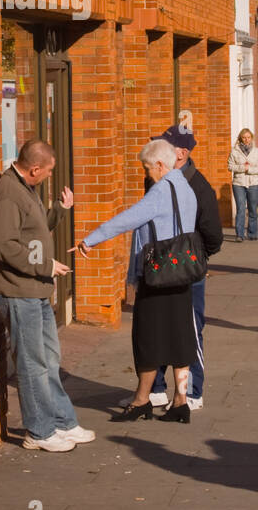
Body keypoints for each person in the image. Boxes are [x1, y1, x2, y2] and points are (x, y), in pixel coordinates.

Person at [0, 138, 95, 452]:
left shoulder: (24, 188)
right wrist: (46, 265)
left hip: (35, 289)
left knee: (48, 359)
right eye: (47, 171)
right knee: (32, 364)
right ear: (34, 169)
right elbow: (4, 246)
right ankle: (39, 431)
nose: (49, 176)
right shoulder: (8, 194)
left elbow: (36, 229)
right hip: (19, 293)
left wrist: (60, 210)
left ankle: (62, 421)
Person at [74, 139, 198, 423]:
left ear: (160, 165)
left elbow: (127, 219)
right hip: (182, 272)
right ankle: (181, 401)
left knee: (147, 338)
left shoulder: (160, 191)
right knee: (180, 337)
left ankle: (141, 400)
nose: (146, 174)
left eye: (147, 168)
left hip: (158, 275)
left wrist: (91, 239)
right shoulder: (186, 187)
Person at [123, 126, 222, 411]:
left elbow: (213, 234)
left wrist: (195, 259)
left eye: (166, 145)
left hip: (185, 269)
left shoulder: (198, 186)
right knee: (157, 330)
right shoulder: (156, 179)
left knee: (188, 331)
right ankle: (156, 389)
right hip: (157, 268)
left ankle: (191, 392)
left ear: (182, 153)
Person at [228, 128, 258, 241]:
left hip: (253, 183)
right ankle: (240, 234)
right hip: (239, 183)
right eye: (244, 137)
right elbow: (230, 166)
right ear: (240, 138)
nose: (246, 139)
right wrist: (243, 167)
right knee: (241, 209)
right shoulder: (234, 151)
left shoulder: (256, 151)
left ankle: (252, 234)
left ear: (251, 138)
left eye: (248, 137)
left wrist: (249, 169)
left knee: (252, 209)